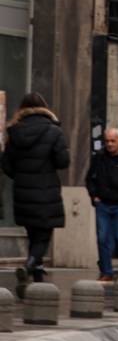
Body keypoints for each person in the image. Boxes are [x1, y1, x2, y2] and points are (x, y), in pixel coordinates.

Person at [3, 92, 69, 291]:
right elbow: (63, 162)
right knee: (43, 235)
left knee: (34, 234)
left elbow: (6, 164)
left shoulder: (14, 132)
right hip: (46, 190)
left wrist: (22, 176)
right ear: (45, 107)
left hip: (23, 191)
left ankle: (34, 279)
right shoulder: (53, 131)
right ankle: (29, 265)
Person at [85, 128, 118, 282]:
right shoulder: (99, 157)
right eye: (107, 141)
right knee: (102, 238)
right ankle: (107, 271)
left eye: (112, 141)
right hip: (103, 203)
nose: (109, 144)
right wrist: (93, 194)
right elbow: (90, 178)